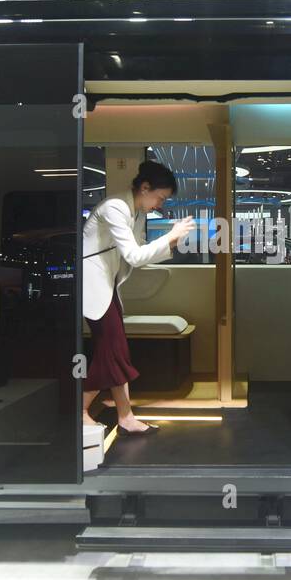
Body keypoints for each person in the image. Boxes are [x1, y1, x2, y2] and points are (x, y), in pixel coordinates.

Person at [81, 161, 195, 435]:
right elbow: (133, 256)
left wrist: (169, 242)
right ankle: (82, 410)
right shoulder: (115, 208)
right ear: (145, 188)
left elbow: (138, 256)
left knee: (115, 351)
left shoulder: (135, 212)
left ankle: (125, 415)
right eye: (160, 197)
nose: (160, 204)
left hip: (106, 287)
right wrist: (169, 236)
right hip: (93, 286)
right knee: (111, 352)